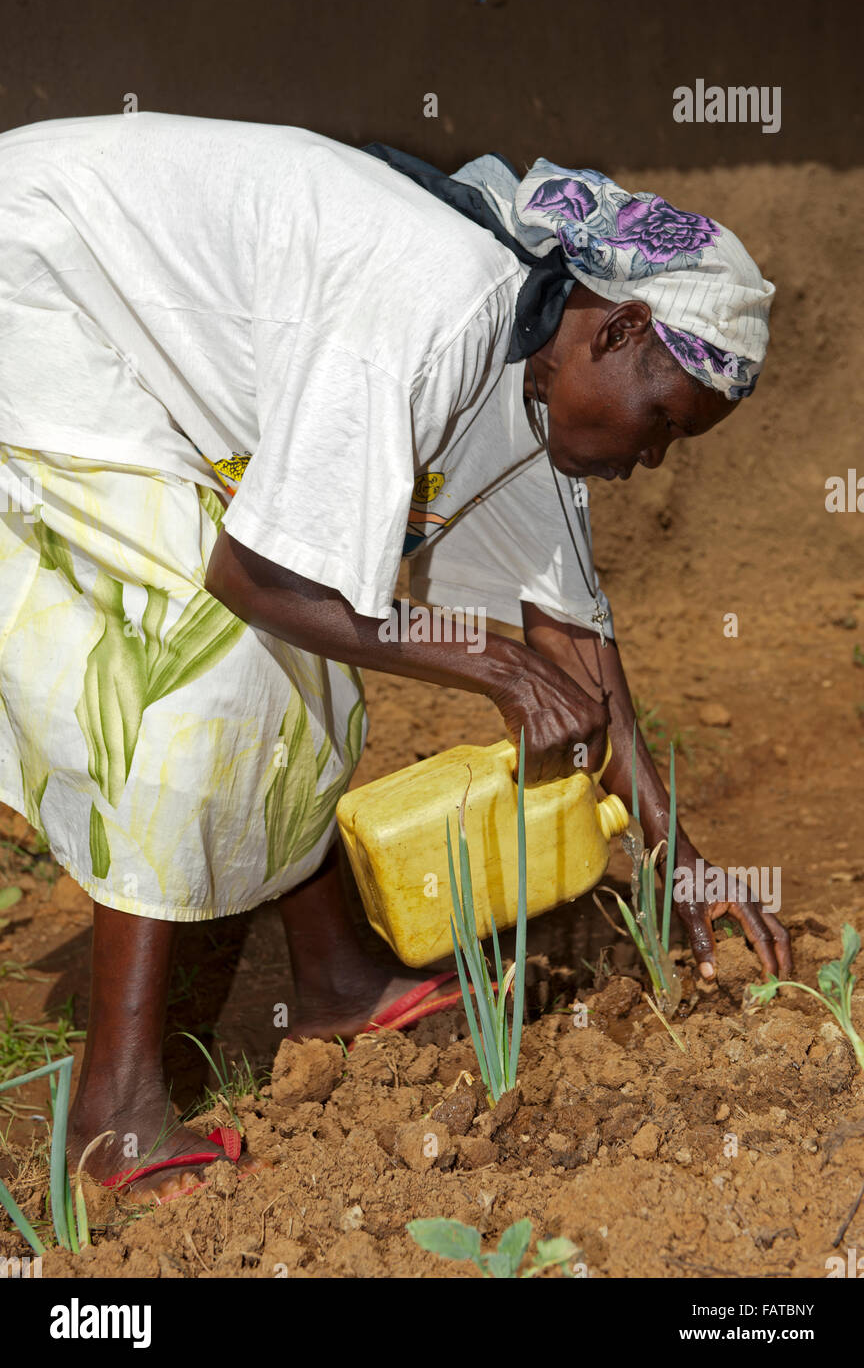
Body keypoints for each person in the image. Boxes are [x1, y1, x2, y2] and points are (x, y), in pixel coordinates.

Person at [0, 113, 790, 1203]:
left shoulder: (528, 380)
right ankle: (116, 1111)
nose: (647, 459)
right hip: (34, 285)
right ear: (616, 331)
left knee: (312, 649)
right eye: (658, 421)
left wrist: (677, 855)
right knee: (213, 656)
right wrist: (496, 666)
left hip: (116, 334)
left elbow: (570, 630)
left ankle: (333, 976)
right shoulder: (436, 301)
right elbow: (257, 579)